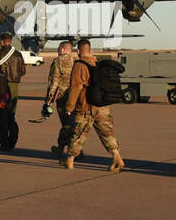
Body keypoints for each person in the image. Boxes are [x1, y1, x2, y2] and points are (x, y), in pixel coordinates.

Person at [61, 39, 124, 172]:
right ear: (90, 50)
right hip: (102, 106)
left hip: (86, 107)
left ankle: (70, 160)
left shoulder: (79, 65)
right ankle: (117, 157)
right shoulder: (98, 63)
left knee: (78, 134)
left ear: (78, 51)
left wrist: (69, 107)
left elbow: (75, 87)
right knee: (107, 133)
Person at [0, 32, 26, 149]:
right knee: (11, 114)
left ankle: (4, 143)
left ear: (2, 42)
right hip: (14, 87)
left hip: (0, 87)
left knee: (0, 115)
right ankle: (12, 140)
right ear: (11, 42)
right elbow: (23, 71)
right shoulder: (18, 55)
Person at [43, 40, 76, 159]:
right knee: (73, 124)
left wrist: (49, 100)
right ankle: (73, 148)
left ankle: (64, 149)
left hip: (62, 98)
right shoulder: (75, 61)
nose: (57, 51)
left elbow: (54, 81)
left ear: (62, 50)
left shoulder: (57, 61)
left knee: (66, 124)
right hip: (74, 97)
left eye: (58, 49)